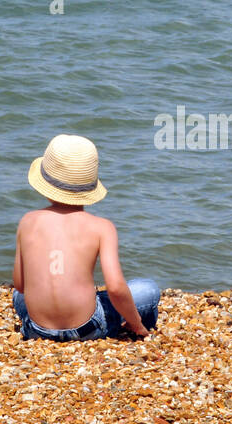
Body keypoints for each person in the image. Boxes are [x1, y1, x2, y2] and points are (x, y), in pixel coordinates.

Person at [12, 134, 160, 340]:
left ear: (45, 184)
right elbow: (116, 288)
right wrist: (136, 324)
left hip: (38, 329)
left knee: (18, 296)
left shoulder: (28, 221)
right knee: (148, 289)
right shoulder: (102, 227)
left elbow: (20, 285)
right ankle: (144, 331)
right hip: (88, 328)